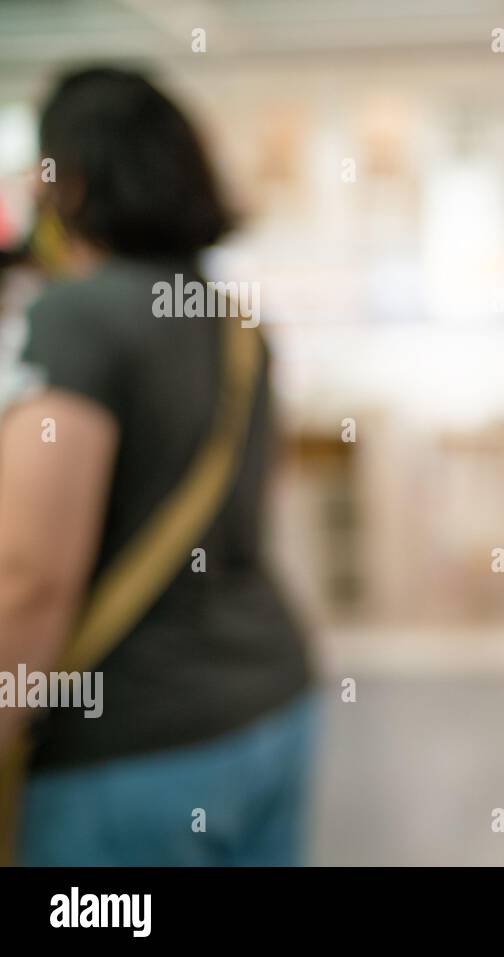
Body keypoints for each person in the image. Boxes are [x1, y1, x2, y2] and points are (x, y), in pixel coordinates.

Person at [0, 67, 315, 865]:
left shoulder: (74, 317)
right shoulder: (239, 324)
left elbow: (29, 574)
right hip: (269, 701)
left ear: (66, 182)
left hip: (127, 747)